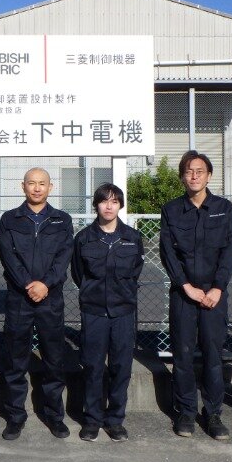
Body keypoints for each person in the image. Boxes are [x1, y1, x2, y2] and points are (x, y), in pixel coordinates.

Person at [159, 151, 232, 440]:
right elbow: (167, 252)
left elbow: (228, 251)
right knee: (182, 355)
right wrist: (186, 286)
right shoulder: (171, 210)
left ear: (209, 176)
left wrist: (217, 287)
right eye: (189, 171)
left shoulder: (223, 208)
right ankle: (186, 411)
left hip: (214, 295)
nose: (194, 176)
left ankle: (213, 413)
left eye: (199, 171)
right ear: (182, 176)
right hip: (184, 294)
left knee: (213, 356)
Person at [0, 167, 74, 441]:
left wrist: (45, 284)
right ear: (23, 186)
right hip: (19, 299)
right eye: (32, 183)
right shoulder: (9, 219)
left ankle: (54, 416)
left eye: (42, 183)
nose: (37, 188)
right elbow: (8, 257)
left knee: (54, 360)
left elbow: (63, 257)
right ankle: (15, 417)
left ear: (50, 187)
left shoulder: (62, 220)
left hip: (50, 300)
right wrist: (28, 285)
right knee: (15, 361)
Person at [72, 183, 144, 442]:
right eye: (104, 201)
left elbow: (135, 271)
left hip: (123, 312)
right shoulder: (83, 238)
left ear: (120, 205)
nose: (109, 206)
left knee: (120, 368)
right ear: (96, 205)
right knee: (92, 367)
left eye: (114, 201)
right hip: (94, 312)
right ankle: (92, 420)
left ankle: (115, 421)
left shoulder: (132, 237)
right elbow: (78, 273)